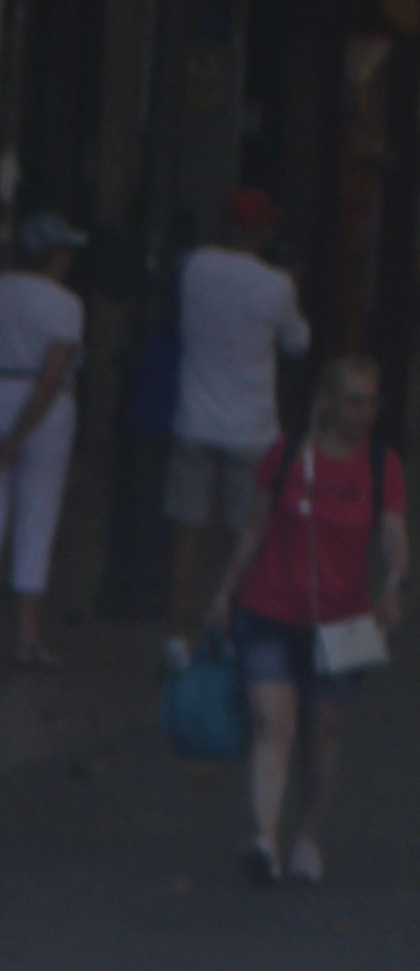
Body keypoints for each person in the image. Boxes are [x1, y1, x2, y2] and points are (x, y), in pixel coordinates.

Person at [219, 348, 405, 886]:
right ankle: (263, 839)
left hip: (341, 624)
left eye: (372, 402)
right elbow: (254, 527)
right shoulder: (284, 455)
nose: (365, 412)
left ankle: (308, 838)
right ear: (326, 403)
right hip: (270, 609)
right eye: (354, 401)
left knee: (323, 734)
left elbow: (393, 532)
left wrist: (393, 582)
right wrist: (225, 593)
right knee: (273, 723)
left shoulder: (379, 465)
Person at [167, 185, 308, 644]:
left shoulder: (194, 267)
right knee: (243, 534)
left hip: (194, 418)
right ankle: (226, 622)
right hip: (250, 428)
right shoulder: (277, 285)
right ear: (264, 230)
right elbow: (296, 343)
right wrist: (294, 287)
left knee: (187, 529)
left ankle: (177, 628)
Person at [0, 210, 86, 668]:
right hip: (42, 410)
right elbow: (51, 378)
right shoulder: (65, 304)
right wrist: (19, 434)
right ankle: (26, 637)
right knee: (37, 515)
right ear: (58, 257)